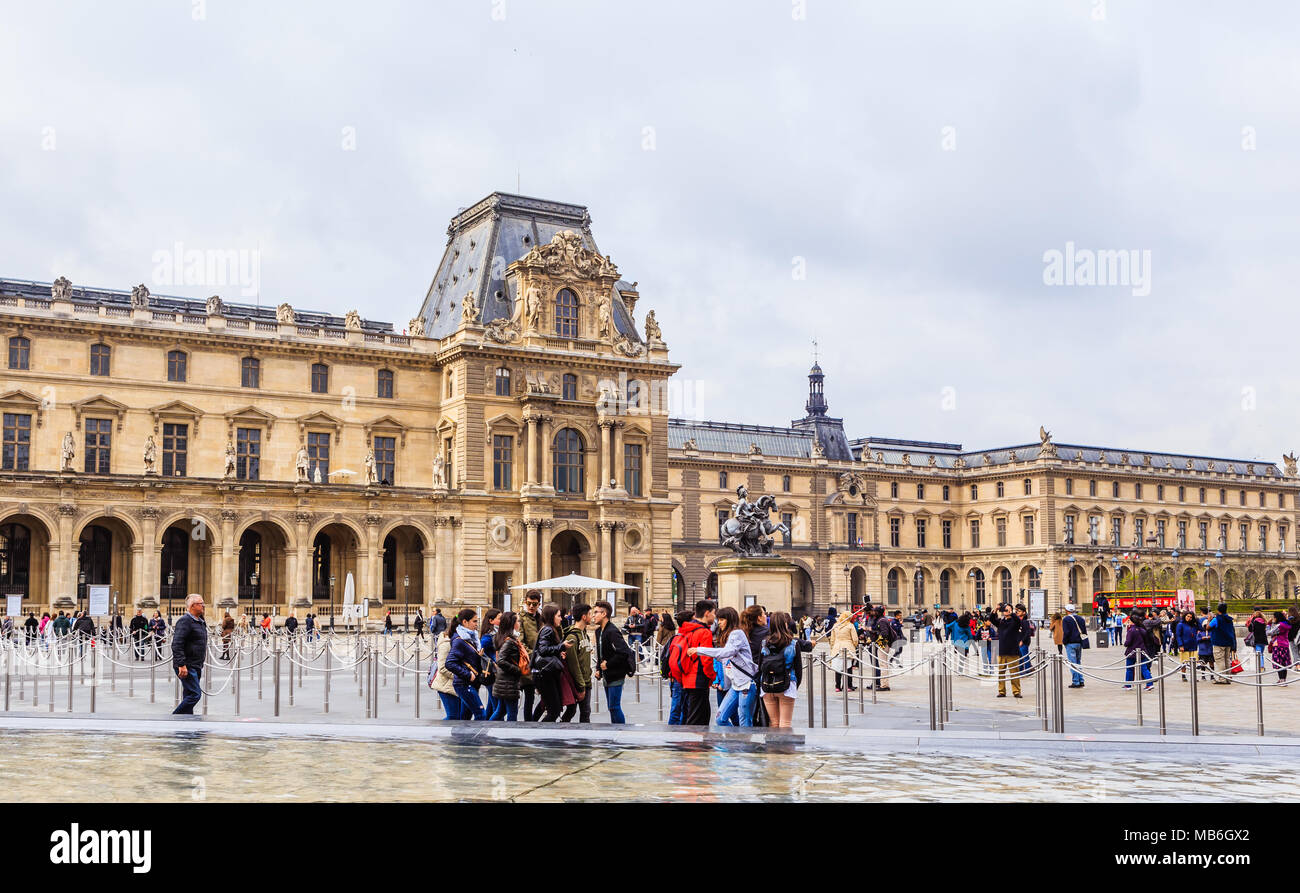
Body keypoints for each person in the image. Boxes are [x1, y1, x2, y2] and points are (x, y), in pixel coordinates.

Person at [691, 606, 758, 727]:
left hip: (746, 685)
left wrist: (699, 650)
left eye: (722, 619)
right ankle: (737, 741)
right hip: (736, 685)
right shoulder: (729, 635)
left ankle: (744, 744)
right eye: (719, 619)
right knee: (721, 719)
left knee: (744, 721)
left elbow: (725, 653)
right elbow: (724, 661)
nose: (719, 622)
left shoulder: (736, 633)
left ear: (730, 619)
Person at [757, 612, 811, 728]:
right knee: (785, 723)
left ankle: (773, 746)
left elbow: (760, 665)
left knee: (773, 723)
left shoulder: (764, 643)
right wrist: (795, 685)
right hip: (787, 684)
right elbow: (798, 669)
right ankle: (785, 746)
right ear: (785, 624)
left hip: (767, 684)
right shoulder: (793, 643)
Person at [670, 599, 717, 726]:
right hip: (698, 679)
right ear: (707, 613)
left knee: (689, 716)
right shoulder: (704, 632)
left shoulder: (687, 629)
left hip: (686, 678)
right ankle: (695, 745)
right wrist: (713, 677)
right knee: (699, 720)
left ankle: (690, 743)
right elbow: (706, 659)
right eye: (714, 613)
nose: (715, 616)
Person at [593, 600, 636, 724]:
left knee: (614, 706)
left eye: (596, 612)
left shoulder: (612, 631)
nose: (594, 615)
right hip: (607, 673)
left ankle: (621, 730)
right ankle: (614, 729)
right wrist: (598, 669)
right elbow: (601, 652)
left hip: (616, 673)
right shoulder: (598, 631)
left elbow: (623, 652)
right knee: (611, 707)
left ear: (604, 614)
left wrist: (608, 664)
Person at [528, 604, 567, 722]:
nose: (561, 619)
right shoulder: (548, 629)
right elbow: (543, 650)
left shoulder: (549, 628)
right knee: (554, 710)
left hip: (546, 674)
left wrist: (558, 652)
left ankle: (534, 727)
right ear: (551, 616)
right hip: (545, 675)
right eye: (559, 616)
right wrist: (561, 647)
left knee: (552, 708)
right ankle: (537, 733)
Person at [445, 608, 486, 720]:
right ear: (465, 622)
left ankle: (460, 737)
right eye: (474, 621)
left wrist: (478, 655)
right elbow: (449, 663)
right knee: (481, 714)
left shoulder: (469, 638)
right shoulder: (460, 640)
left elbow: (466, 658)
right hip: (464, 683)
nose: (477, 624)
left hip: (469, 683)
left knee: (465, 716)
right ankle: (478, 737)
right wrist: (468, 675)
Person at [171, 595, 208, 714]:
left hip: (196, 664)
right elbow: (177, 643)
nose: (203, 605)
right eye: (201, 603)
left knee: (188, 693)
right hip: (187, 665)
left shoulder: (200, 621)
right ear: (193, 606)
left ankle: (187, 721)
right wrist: (181, 664)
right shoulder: (185, 621)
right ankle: (174, 718)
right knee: (195, 694)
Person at [561, 604, 593, 723]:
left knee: (579, 711)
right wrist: (581, 685)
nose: (592, 617)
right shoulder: (572, 637)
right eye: (590, 614)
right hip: (578, 682)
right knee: (580, 712)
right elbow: (573, 663)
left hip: (585, 680)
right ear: (584, 617)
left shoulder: (584, 634)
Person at [490, 612, 523, 721]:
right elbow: (501, 660)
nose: (519, 623)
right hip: (508, 683)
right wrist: (517, 670)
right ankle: (511, 735)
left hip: (503, 681)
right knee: (512, 713)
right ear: (512, 624)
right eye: (517, 621)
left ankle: (484, 729)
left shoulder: (502, 638)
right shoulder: (510, 641)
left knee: (501, 710)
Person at [663, 610, 693, 724]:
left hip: (677, 678)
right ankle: (674, 733)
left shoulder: (677, 637)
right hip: (680, 678)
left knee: (680, 709)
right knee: (678, 709)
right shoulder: (683, 638)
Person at [517, 592, 542, 721]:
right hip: (528, 663)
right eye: (529, 603)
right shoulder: (521, 618)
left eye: (534, 604)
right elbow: (520, 642)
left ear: (539, 604)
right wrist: (534, 655)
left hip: (541, 662)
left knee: (542, 696)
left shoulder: (541, 618)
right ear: (525, 602)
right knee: (529, 696)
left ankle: (533, 720)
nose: (531, 606)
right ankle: (528, 722)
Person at [430, 625, 462, 720]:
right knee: (453, 716)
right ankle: (437, 732)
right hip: (446, 685)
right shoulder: (446, 644)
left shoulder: (459, 642)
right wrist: (460, 675)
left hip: (456, 685)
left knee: (459, 716)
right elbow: (443, 668)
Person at [993, 603, 1024, 698]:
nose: (1006, 611)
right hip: (1002, 650)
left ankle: (1016, 691)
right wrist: (995, 610)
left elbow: (1018, 621)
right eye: (1005, 610)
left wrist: (1012, 613)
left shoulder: (1014, 621)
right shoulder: (1001, 621)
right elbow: (992, 620)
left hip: (1012, 650)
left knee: (1014, 672)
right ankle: (1001, 691)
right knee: (1001, 672)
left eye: (1008, 609)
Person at [478, 608, 501, 720]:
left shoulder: (496, 633)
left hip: (494, 672)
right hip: (492, 672)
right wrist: (493, 662)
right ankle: (496, 726)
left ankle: (484, 724)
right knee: (497, 706)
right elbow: (481, 653)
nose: (502, 620)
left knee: (492, 706)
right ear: (491, 621)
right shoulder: (488, 636)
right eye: (499, 618)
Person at [1123, 611, 1155, 691]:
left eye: (1129, 621)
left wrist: (1125, 644)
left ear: (1132, 622)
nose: (1128, 622)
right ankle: (1149, 683)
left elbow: (1128, 642)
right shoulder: (1142, 629)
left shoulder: (1131, 630)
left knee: (1129, 668)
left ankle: (1128, 684)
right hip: (1142, 651)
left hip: (1132, 652)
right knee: (1144, 668)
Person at [828, 611, 859, 692]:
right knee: (848, 668)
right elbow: (855, 639)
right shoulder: (850, 625)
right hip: (848, 647)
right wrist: (854, 646)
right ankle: (848, 686)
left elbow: (832, 639)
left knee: (838, 668)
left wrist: (832, 647)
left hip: (837, 648)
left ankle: (837, 686)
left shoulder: (835, 625)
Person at [1207, 603, 1237, 684]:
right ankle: (1227, 678)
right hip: (1228, 642)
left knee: (1220, 661)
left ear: (1218, 610)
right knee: (1227, 660)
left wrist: (1209, 619)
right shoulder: (1229, 619)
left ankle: (1222, 679)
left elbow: (1208, 627)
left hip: (1218, 642)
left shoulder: (1216, 619)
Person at [1061, 605, 1087, 688]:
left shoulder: (1066, 619)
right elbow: (1084, 631)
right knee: (1078, 662)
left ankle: (1075, 682)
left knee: (1072, 663)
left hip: (1070, 643)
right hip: (1079, 642)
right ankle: (1081, 680)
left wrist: (1064, 642)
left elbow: (1066, 632)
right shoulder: (1081, 619)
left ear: (1067, 610)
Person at [1266, 611, 1292, 683]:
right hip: (1285, 645)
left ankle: (1281, 680)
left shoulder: (1280, 625)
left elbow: (1269, 633)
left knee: (1278, 664)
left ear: (1277, 618)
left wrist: (1268, 625)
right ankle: (1283, 680)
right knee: (1284, 664)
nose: (1273, 618)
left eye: (1274, 617)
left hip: (1278, 645)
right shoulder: (1286, 624)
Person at [1174, 611, 1199, 681]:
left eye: (1191, 617)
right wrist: (1180, 645)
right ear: (1185, 616)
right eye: (1188, 616)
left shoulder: (1194, 625)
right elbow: (1178, 635)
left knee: (1194, 663)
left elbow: (1201, 628)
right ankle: (1183, 676)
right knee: (1184, 662)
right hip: (1184, 646)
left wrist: (1196, 620)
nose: (1189, 618)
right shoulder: (1180, 624)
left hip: (1193, 645)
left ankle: (1194, 676)